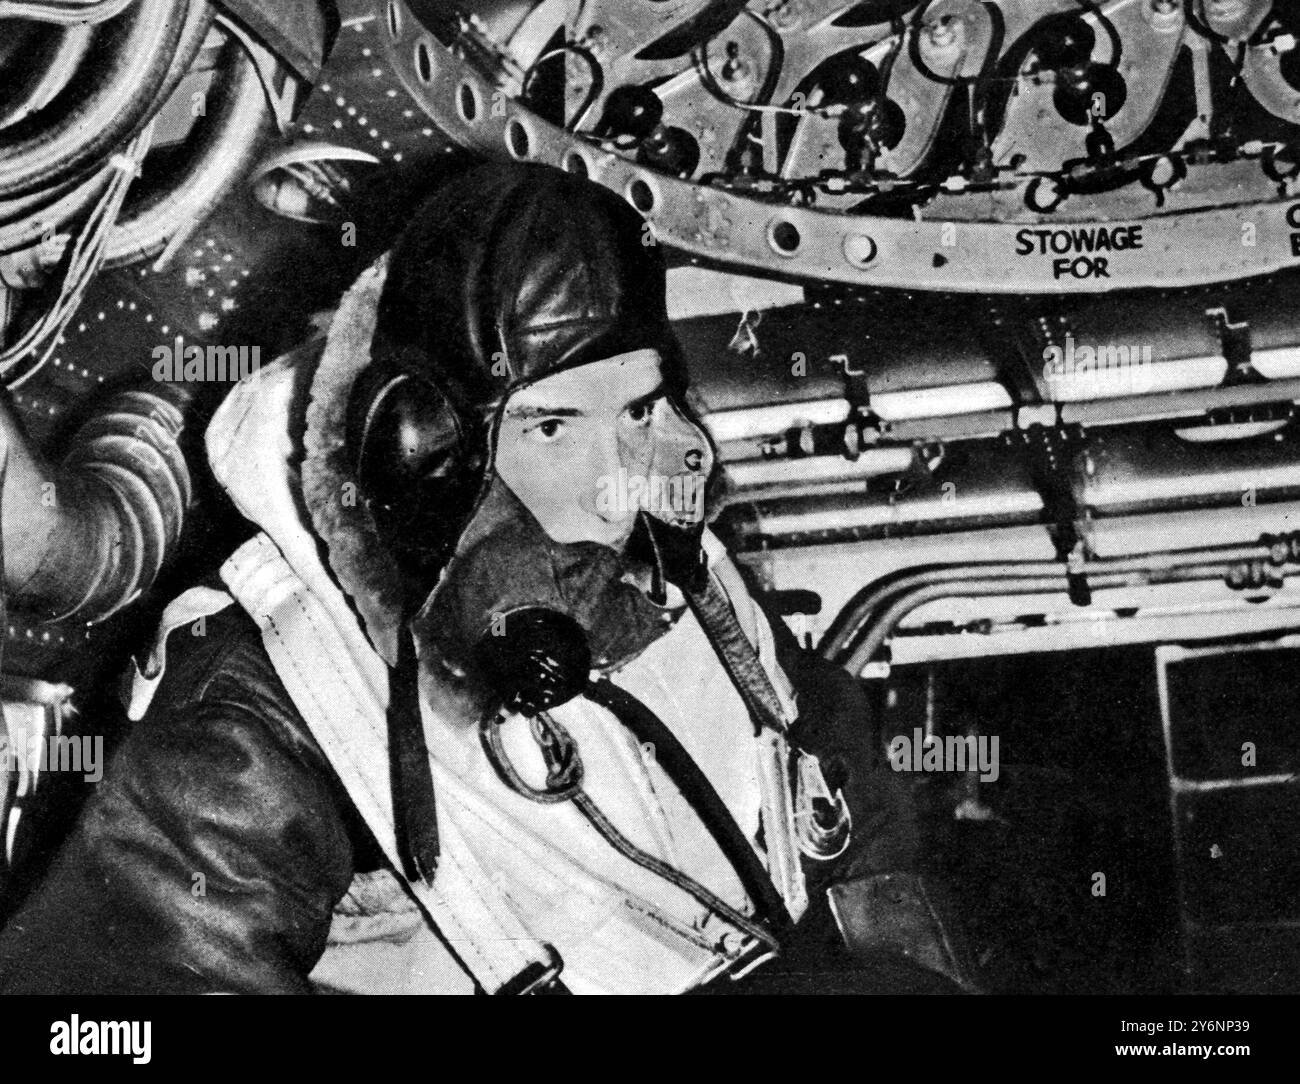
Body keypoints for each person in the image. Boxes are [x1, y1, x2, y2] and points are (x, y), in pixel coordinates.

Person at [0, 162, 973, 995]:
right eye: (554, 427)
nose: (614, 489)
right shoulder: (268, 706)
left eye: (637, 414)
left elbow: (823, 757)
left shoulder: (677, 575)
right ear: (426, 455)